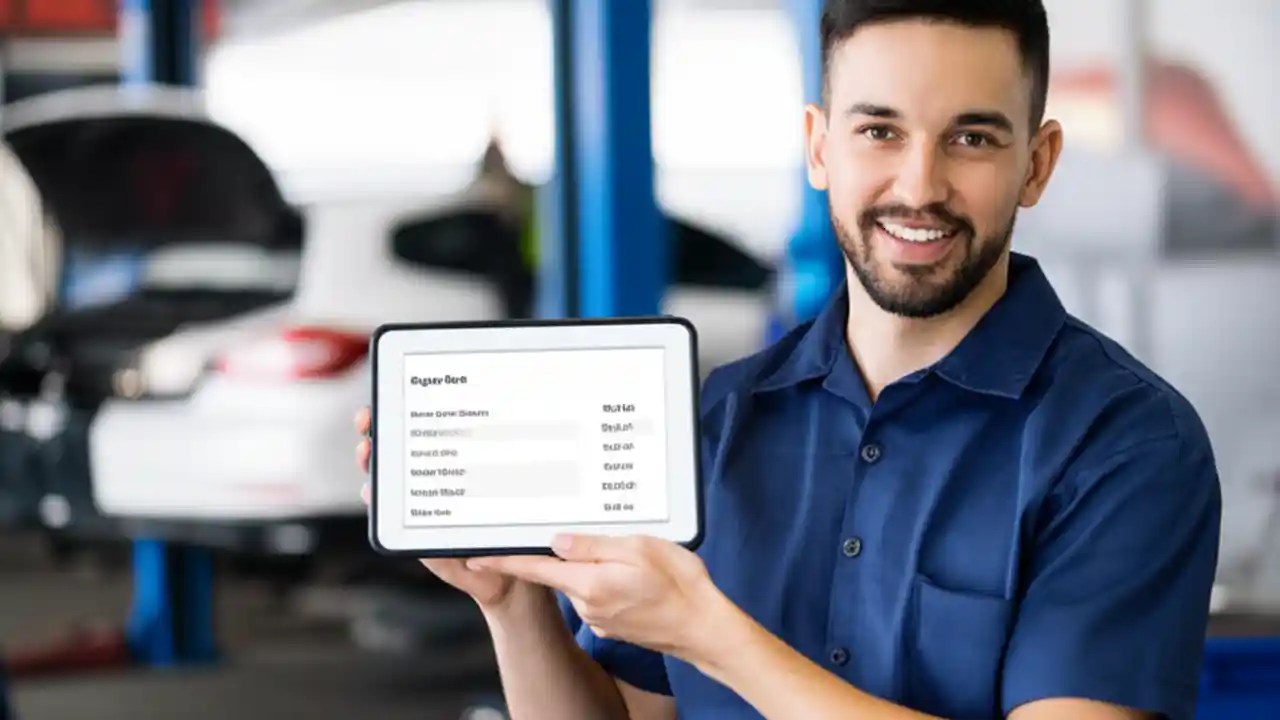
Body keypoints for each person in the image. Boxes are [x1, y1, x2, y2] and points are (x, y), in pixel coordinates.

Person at [355, 1, 1222, 717]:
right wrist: (513, 607)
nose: (919, 186)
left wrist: (712, 635)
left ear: (1037, 164)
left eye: (972, 139)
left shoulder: (1127, 446)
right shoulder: (720, 421)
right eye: (880, 131)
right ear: (818, 147)